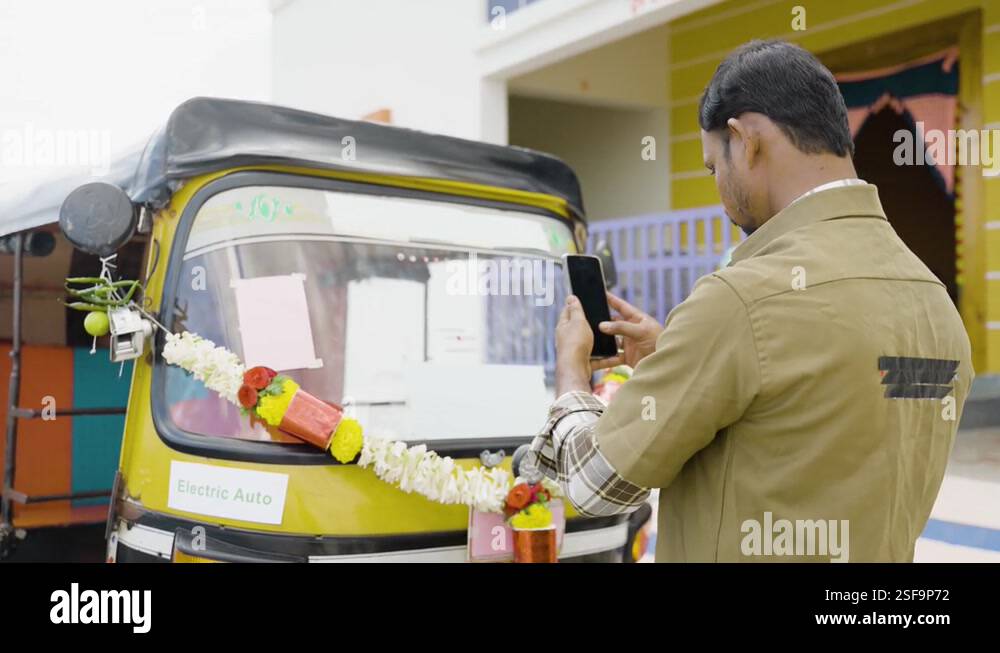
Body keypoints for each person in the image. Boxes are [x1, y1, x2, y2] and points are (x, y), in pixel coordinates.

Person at [526, 39, 974, 562]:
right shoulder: (936, 305)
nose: (719, 194)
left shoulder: (742, 301)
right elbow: (816, 407)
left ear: (744, 141)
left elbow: (596, 484)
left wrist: (571, 373)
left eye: (714, 167)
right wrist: (684, 355)